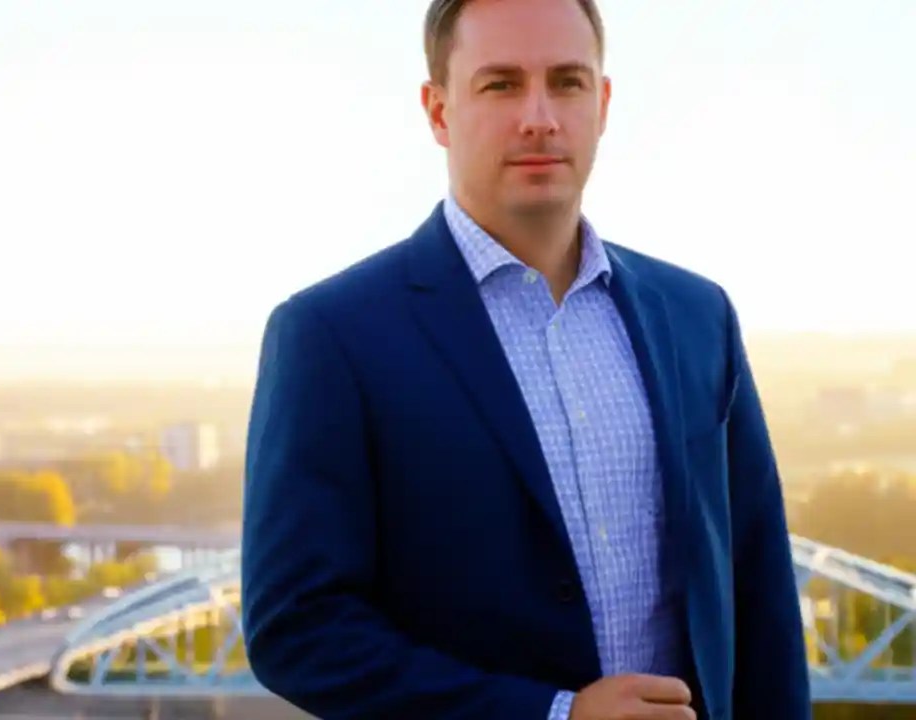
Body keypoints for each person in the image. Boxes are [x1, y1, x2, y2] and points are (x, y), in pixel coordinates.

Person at [239, 0, 811, 718]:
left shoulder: (697, 316)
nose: (539, 117)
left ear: (602, 104)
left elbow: (759, 593)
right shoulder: (331, 334)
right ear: (439, 111)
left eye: (567, 82)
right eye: (501, 84)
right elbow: (297, 628)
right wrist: (554, 713)